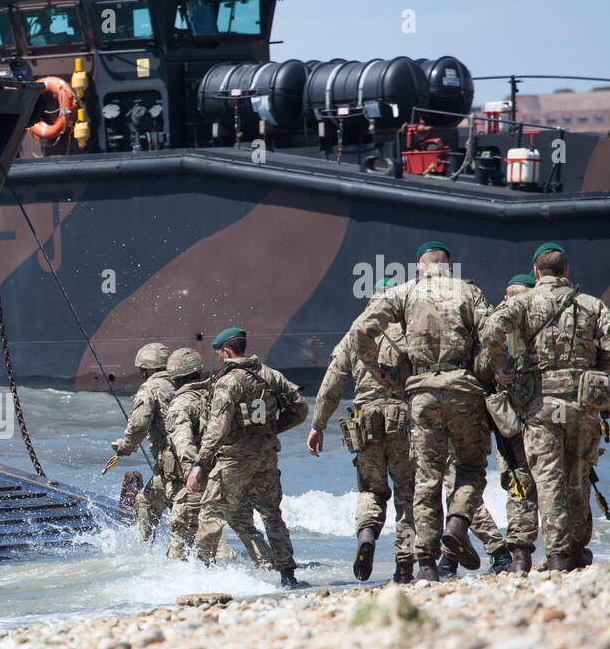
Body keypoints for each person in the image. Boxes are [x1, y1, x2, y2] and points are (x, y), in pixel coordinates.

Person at [352, 241, 490, 581]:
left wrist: (375, 369)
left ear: (420, 266)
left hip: (421, 391)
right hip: (461, 387)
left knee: (426, 478)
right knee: (470, 467)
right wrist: (490, 373)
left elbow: (361, 331)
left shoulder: (404, 292)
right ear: (449, 265)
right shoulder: (469, 292)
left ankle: (426, 565)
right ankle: (457, 524)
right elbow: (494, 336)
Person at [479, 243, 610, 571]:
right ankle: (577, 551)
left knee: (548, 478)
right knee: (578, 477)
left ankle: (555, 556)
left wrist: (499, 367)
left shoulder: (523, 303)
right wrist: (600, 374)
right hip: (583, 405)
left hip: (540, 406)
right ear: (566, 271)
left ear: (537, 273)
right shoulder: (592, 305)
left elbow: (490, 331)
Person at [309, 277, 416, 583]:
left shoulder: (353, 335)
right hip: (403, 420)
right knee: (407, 497)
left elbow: (332, 384)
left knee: (371, 490)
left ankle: (366, 539)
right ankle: (405, 563)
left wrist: (318, 426)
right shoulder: (407, 331)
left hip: (364, 422)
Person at [186, 328, 309, 587]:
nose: (218, 358)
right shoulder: (269, 375)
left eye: (219, 353)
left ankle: (199, 575)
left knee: (210, 514)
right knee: (271, 515)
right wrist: (272, 429)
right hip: (266, 458)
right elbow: (300, 408)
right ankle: (288, 574)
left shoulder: (228, 382)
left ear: (227, 351)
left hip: (234, 460)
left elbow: (217, 428)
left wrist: (199, 463)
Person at [441, 272, 542, 576]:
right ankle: (548, 551)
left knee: (460, 480)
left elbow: (481, 367)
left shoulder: (496, 323)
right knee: (537, 480)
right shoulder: (530, 320)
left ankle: (501, 553)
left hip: (500, 416)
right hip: (528, 414)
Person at [162, 347, 268, 563]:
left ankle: (183, 578)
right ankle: (270, 565)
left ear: (175, 379)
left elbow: (184, 443)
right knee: (245, 526)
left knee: (181, 530)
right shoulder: (218, 392)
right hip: (231, 473)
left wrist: (192, 472)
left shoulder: (180, 404)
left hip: (200, 478)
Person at [111, 343, 178, 541]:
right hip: (193, 460)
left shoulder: (150, 388)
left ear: (147, 369)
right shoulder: (181, 385)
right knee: (155, 502)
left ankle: (141, 551)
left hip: (173, 463)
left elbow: (140, 423)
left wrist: (126, 446)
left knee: (149, 502)